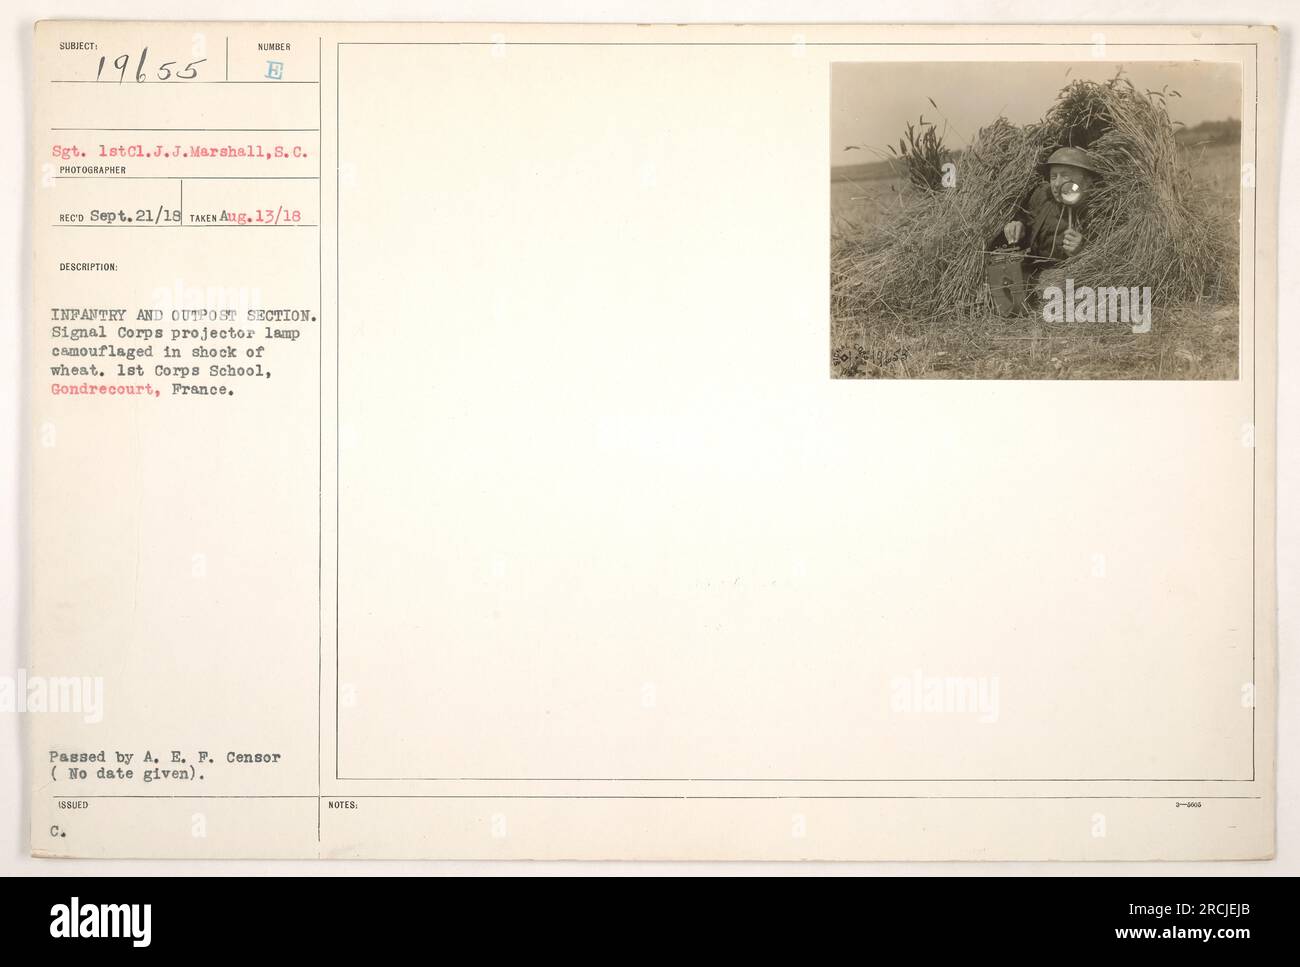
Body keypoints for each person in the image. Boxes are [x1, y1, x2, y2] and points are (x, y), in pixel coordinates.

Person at [990, 146, 1103, 278]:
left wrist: (1082, 250)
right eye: (1054, 177)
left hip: (1069, 281)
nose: (1057, 184)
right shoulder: (1041, 196)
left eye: (1065, 176)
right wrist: (1017, 227)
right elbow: (1024, 221)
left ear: (1086, 182)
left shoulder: (1096, 210)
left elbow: (1105, 260)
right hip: (1032, 274)